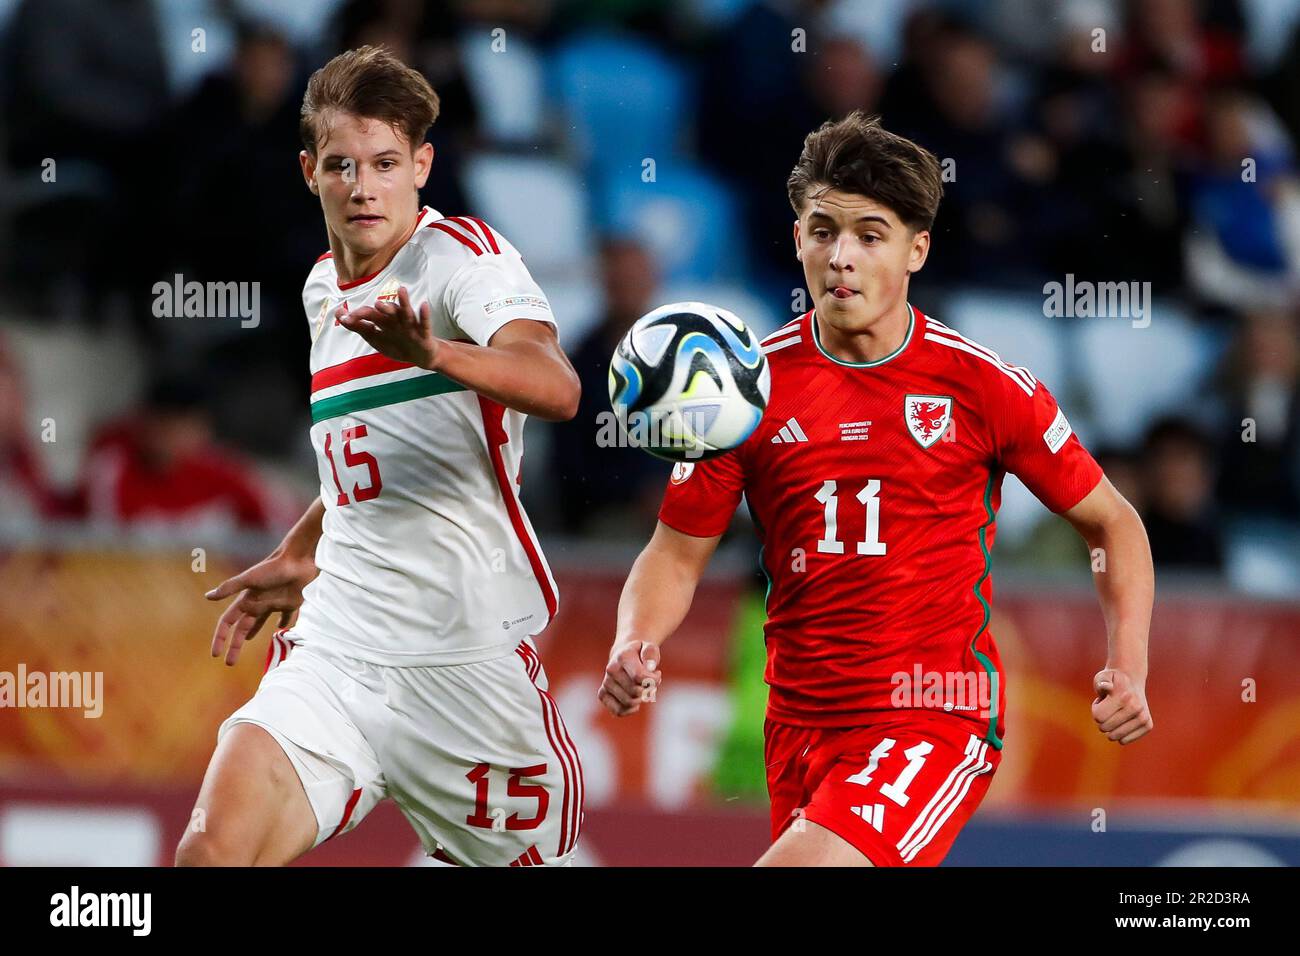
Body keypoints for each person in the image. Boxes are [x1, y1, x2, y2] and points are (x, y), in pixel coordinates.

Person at [599, 112, 1155, 867]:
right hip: (799, 725)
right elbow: (674, 555)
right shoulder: (741, 393)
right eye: (822, 230)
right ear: (797, 240)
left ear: (915, 249)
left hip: (933, 717)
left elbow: (1112, 523)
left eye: (869, 234)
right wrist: (638, 637)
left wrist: (1128, 663)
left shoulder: (983, 388)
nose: (841, 257)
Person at [177, 46, 584, 868]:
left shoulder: (465, 259)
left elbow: (557, 385)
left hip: (466, 663)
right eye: (342, 164)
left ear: (423, 165)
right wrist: (303, 546)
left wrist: (436, 354)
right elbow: (367, 452)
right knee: (212, 852)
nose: (364, 186)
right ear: (309, 171)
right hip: (339, 651)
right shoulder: (322, 287)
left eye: (387, 163)